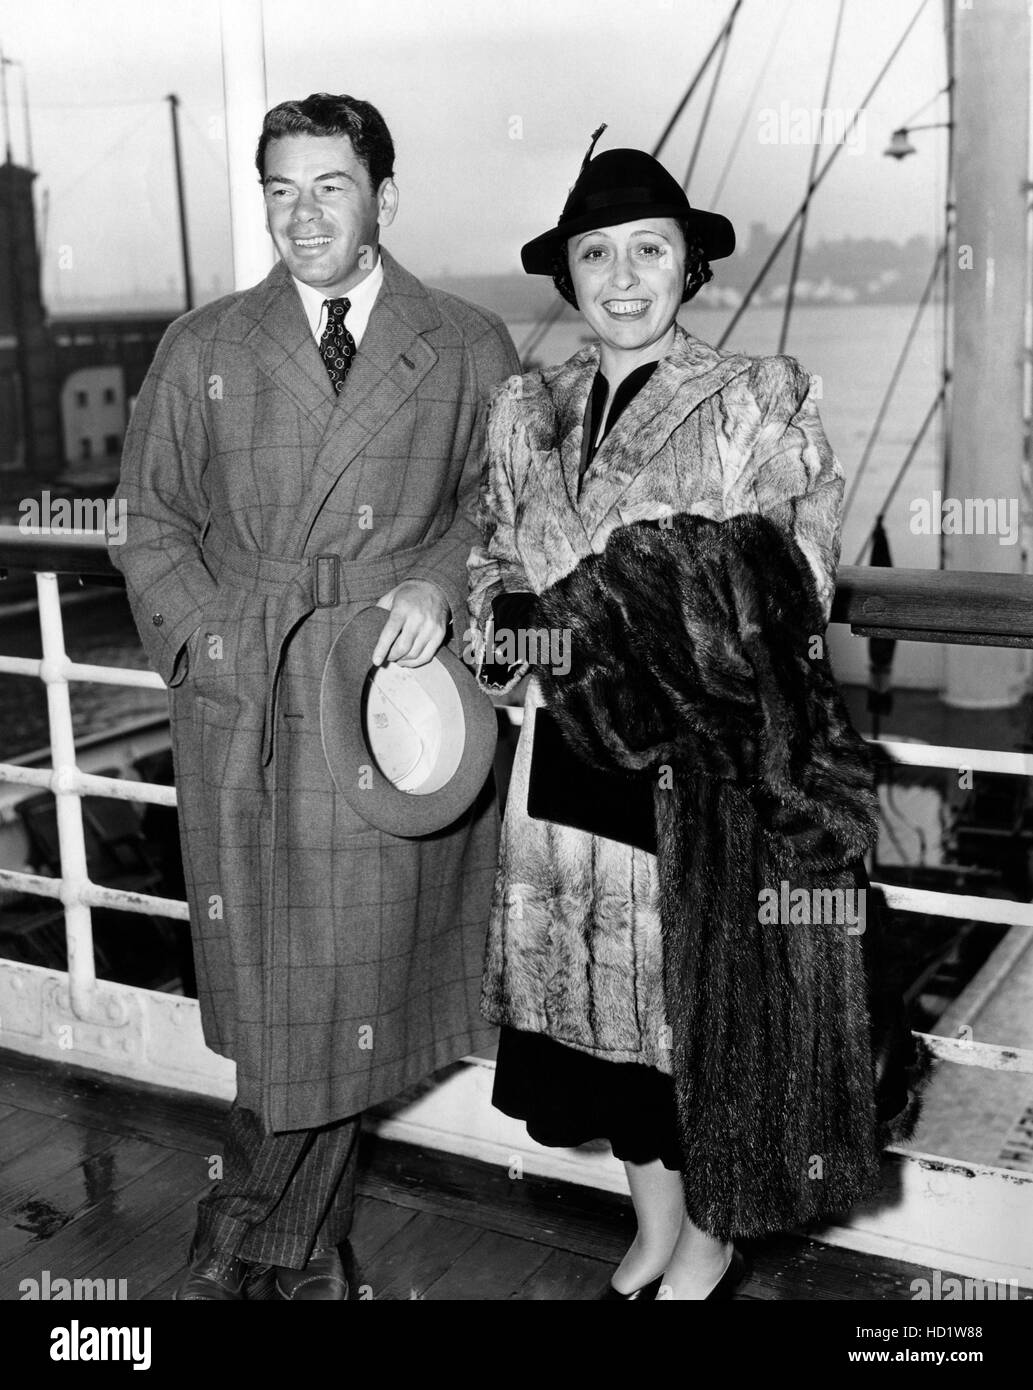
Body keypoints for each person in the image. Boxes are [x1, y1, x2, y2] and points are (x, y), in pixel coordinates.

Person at [467, 132, 912, 1301]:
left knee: (692, 1022)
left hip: (699, 771)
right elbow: (490, 566)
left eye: (649, 250)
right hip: (559, 763)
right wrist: (520, 630)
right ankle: (655, 1221)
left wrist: (599, 605)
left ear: (689, 265)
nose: (623, 277)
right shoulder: (526, 409)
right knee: (597, 1023)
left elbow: (793, 573)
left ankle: (710, 1235)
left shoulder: (759, 396)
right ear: (567, 274)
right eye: (596, 253)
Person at [111, 92, 519, 1301]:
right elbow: (149, 523)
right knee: (287, 985)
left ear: (383, 197)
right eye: (279, 188)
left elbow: (493, 512)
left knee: (344, 980)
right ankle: (289, 1258)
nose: (302, 215)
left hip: (387, 703)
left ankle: (251, 1252)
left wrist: (442, 590)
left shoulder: (469, 343)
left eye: (329, 186)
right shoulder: (205, 347)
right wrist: (212, 650)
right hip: (247, 696)